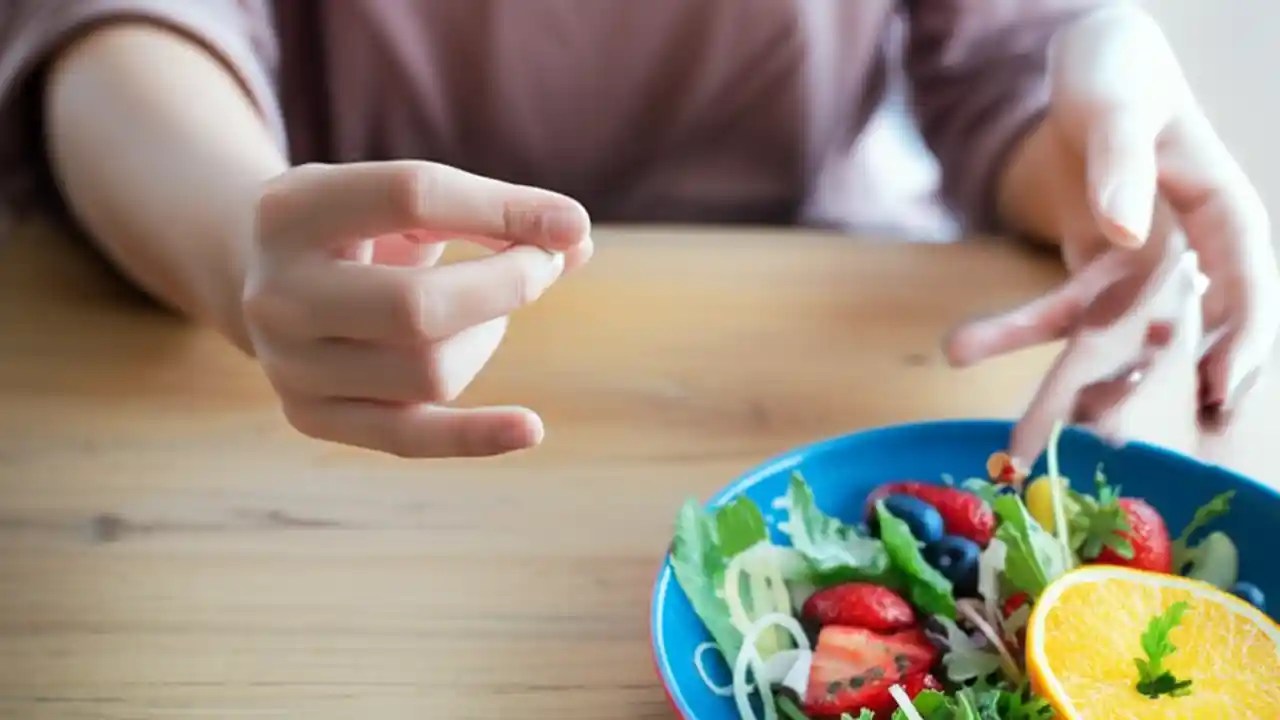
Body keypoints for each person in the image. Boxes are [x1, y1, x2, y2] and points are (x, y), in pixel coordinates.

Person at [1, 1, 1275, 464]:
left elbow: (1000, 73)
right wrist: (242, 242)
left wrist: (1106, 167)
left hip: (810, 368)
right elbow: (121, 35)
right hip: (307, 427)